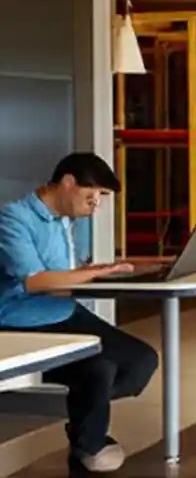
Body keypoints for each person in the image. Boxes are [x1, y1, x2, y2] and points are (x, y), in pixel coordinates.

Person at [0, 153, 158, 473]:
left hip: (63, 310)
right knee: (98, 369)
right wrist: (98, 272)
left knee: (142, 361)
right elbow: (36, 281)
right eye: (92, 195)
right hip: (22, 318)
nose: (95, 205)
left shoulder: (66, 221)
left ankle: (84, 410)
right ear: (68, 183)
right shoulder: (12, 218)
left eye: (99, 197)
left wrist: (114, 271)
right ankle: (89, 444)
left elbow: (69, 276)